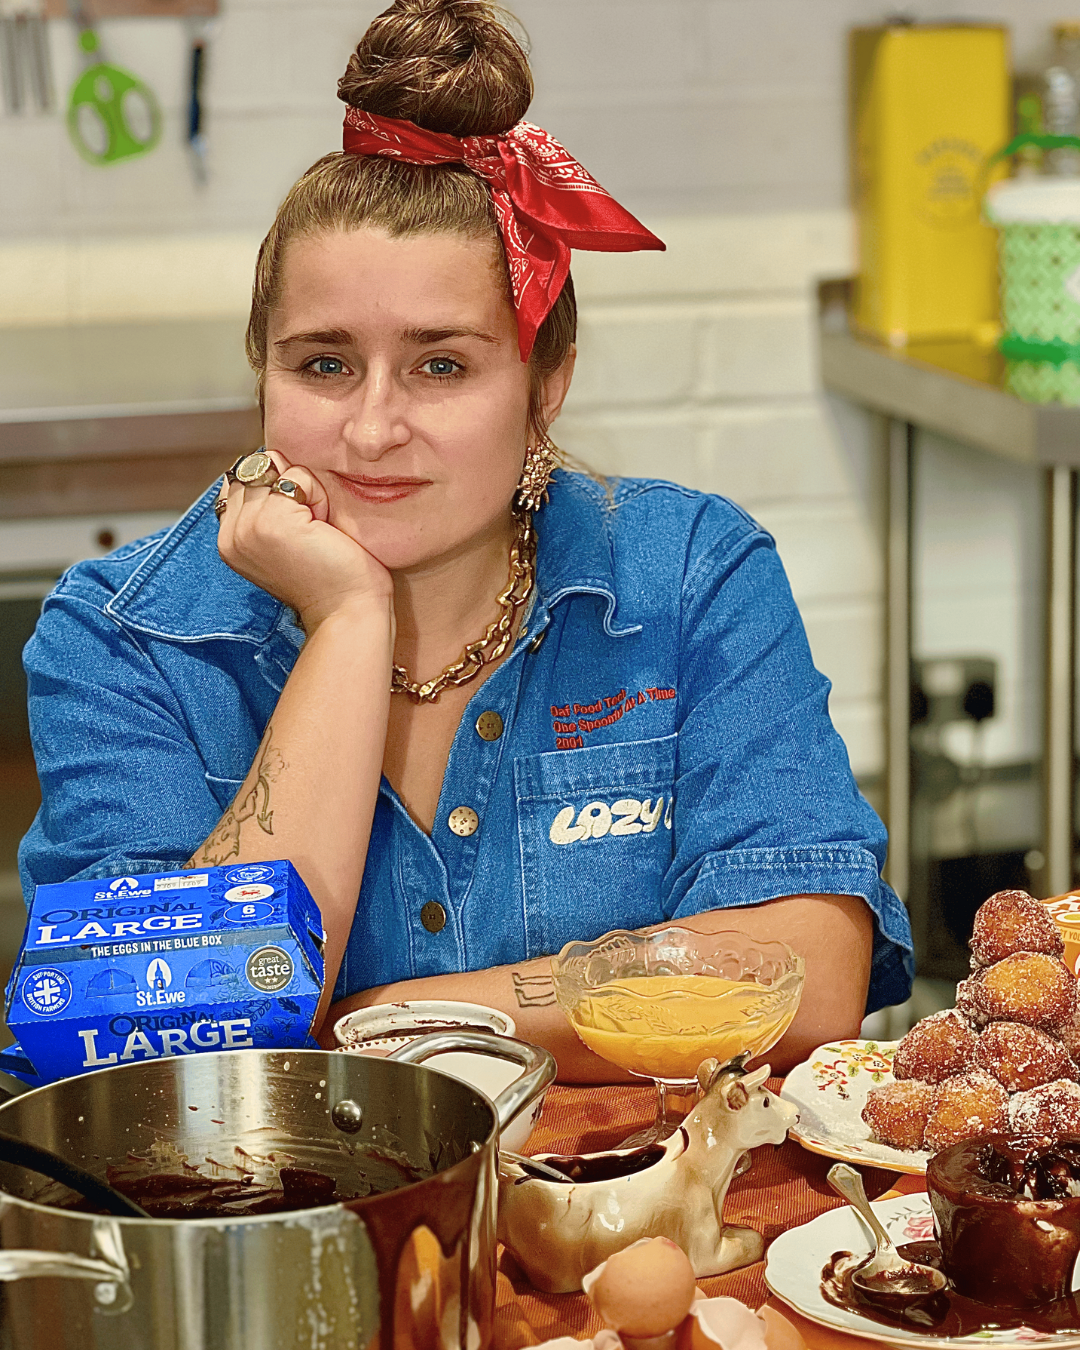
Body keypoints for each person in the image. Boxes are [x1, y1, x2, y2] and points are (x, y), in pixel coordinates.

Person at [19, 0, 912, 1079]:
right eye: (323, 363)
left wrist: (388, 1016)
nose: (372, 427)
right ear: (260, 371)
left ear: (545, 389)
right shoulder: (122, 637)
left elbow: (809, 977)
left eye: (441, 365)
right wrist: (346, 621)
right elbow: (154, 1055)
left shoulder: (687, 577)